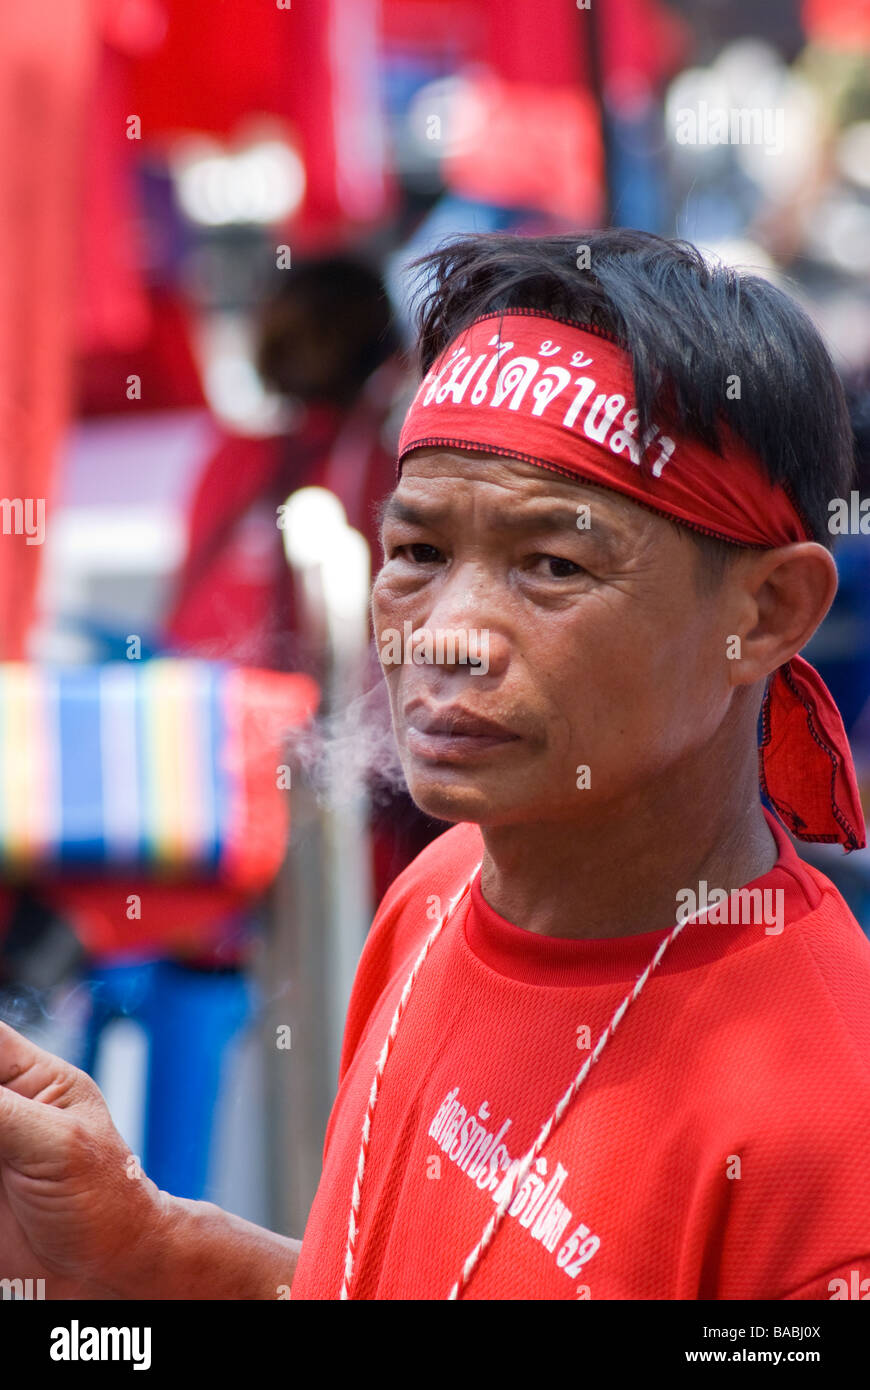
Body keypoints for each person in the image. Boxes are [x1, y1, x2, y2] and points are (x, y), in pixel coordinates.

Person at [2, 229, 870, 1301]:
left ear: (767, 611)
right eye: (416, 553)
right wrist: (146, 1247)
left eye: (552, 564)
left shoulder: (829, 1128)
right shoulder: (436, 893)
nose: (449, 633)